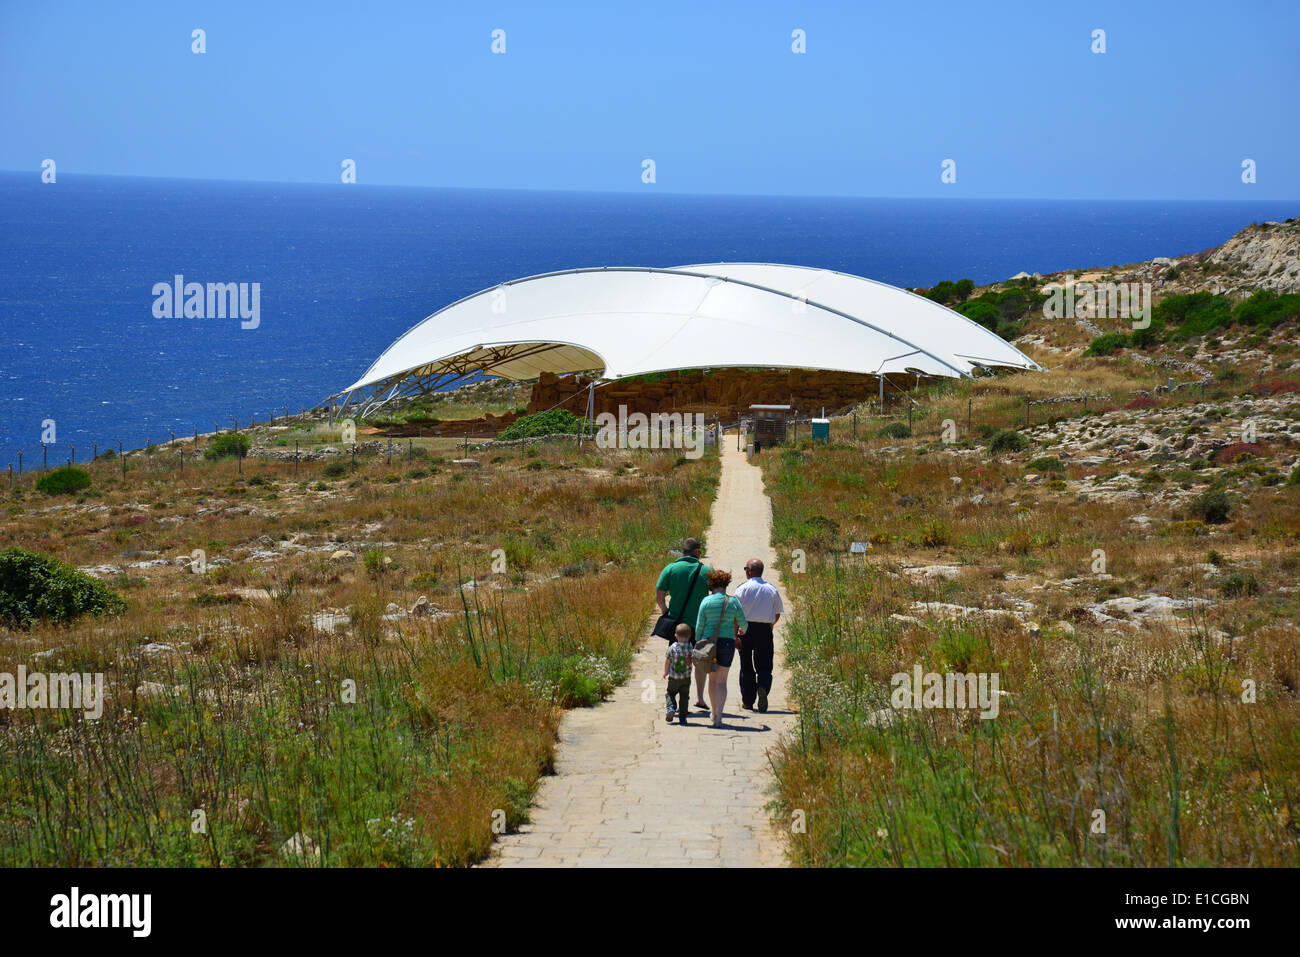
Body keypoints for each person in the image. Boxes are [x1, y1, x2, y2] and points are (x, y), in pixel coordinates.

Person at [655, 538, 711, 708]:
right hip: (699, 625)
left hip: (677, 625)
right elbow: (716, 593)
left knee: (676, 658)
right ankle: (700, 698)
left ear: (682, 552)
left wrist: (665, 611)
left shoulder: (670, 569)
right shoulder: (707, 570)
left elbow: (659, 594)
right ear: (697, 552)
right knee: (700, 661)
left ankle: (673, 697)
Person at [694, 569, 748, 728]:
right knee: (722, 681)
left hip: (709, 644)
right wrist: (739, 632)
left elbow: (699, 627)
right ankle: (719, 717)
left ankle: (713, 712)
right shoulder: (733, 601)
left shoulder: (706, 601)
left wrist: (700, 641)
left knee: (712, 679)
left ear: (711, 584)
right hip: (727, 643)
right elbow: (744, 624)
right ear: (726, 584)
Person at [734, 558, 783, 713]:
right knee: (764, 664)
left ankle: (748, 701)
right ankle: (762, 686)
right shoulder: (771, 589)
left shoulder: (742, 589)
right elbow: (777, 613)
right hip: (764, 630)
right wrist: (769, 626)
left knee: (746, 665)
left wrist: (735, 634)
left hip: (745, 629)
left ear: (750, 570)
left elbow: (735, 613)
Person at [663, 623, 693, 725]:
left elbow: (668, 661)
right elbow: (692, 661)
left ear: (676, 636)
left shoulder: (672, 647)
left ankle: (671, 707)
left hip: (673, 678)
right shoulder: (690, 649)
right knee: (684, 697)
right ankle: (683, 718)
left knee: (670, 693)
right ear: (689, 636)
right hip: (686, 678)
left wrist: (665, 672)